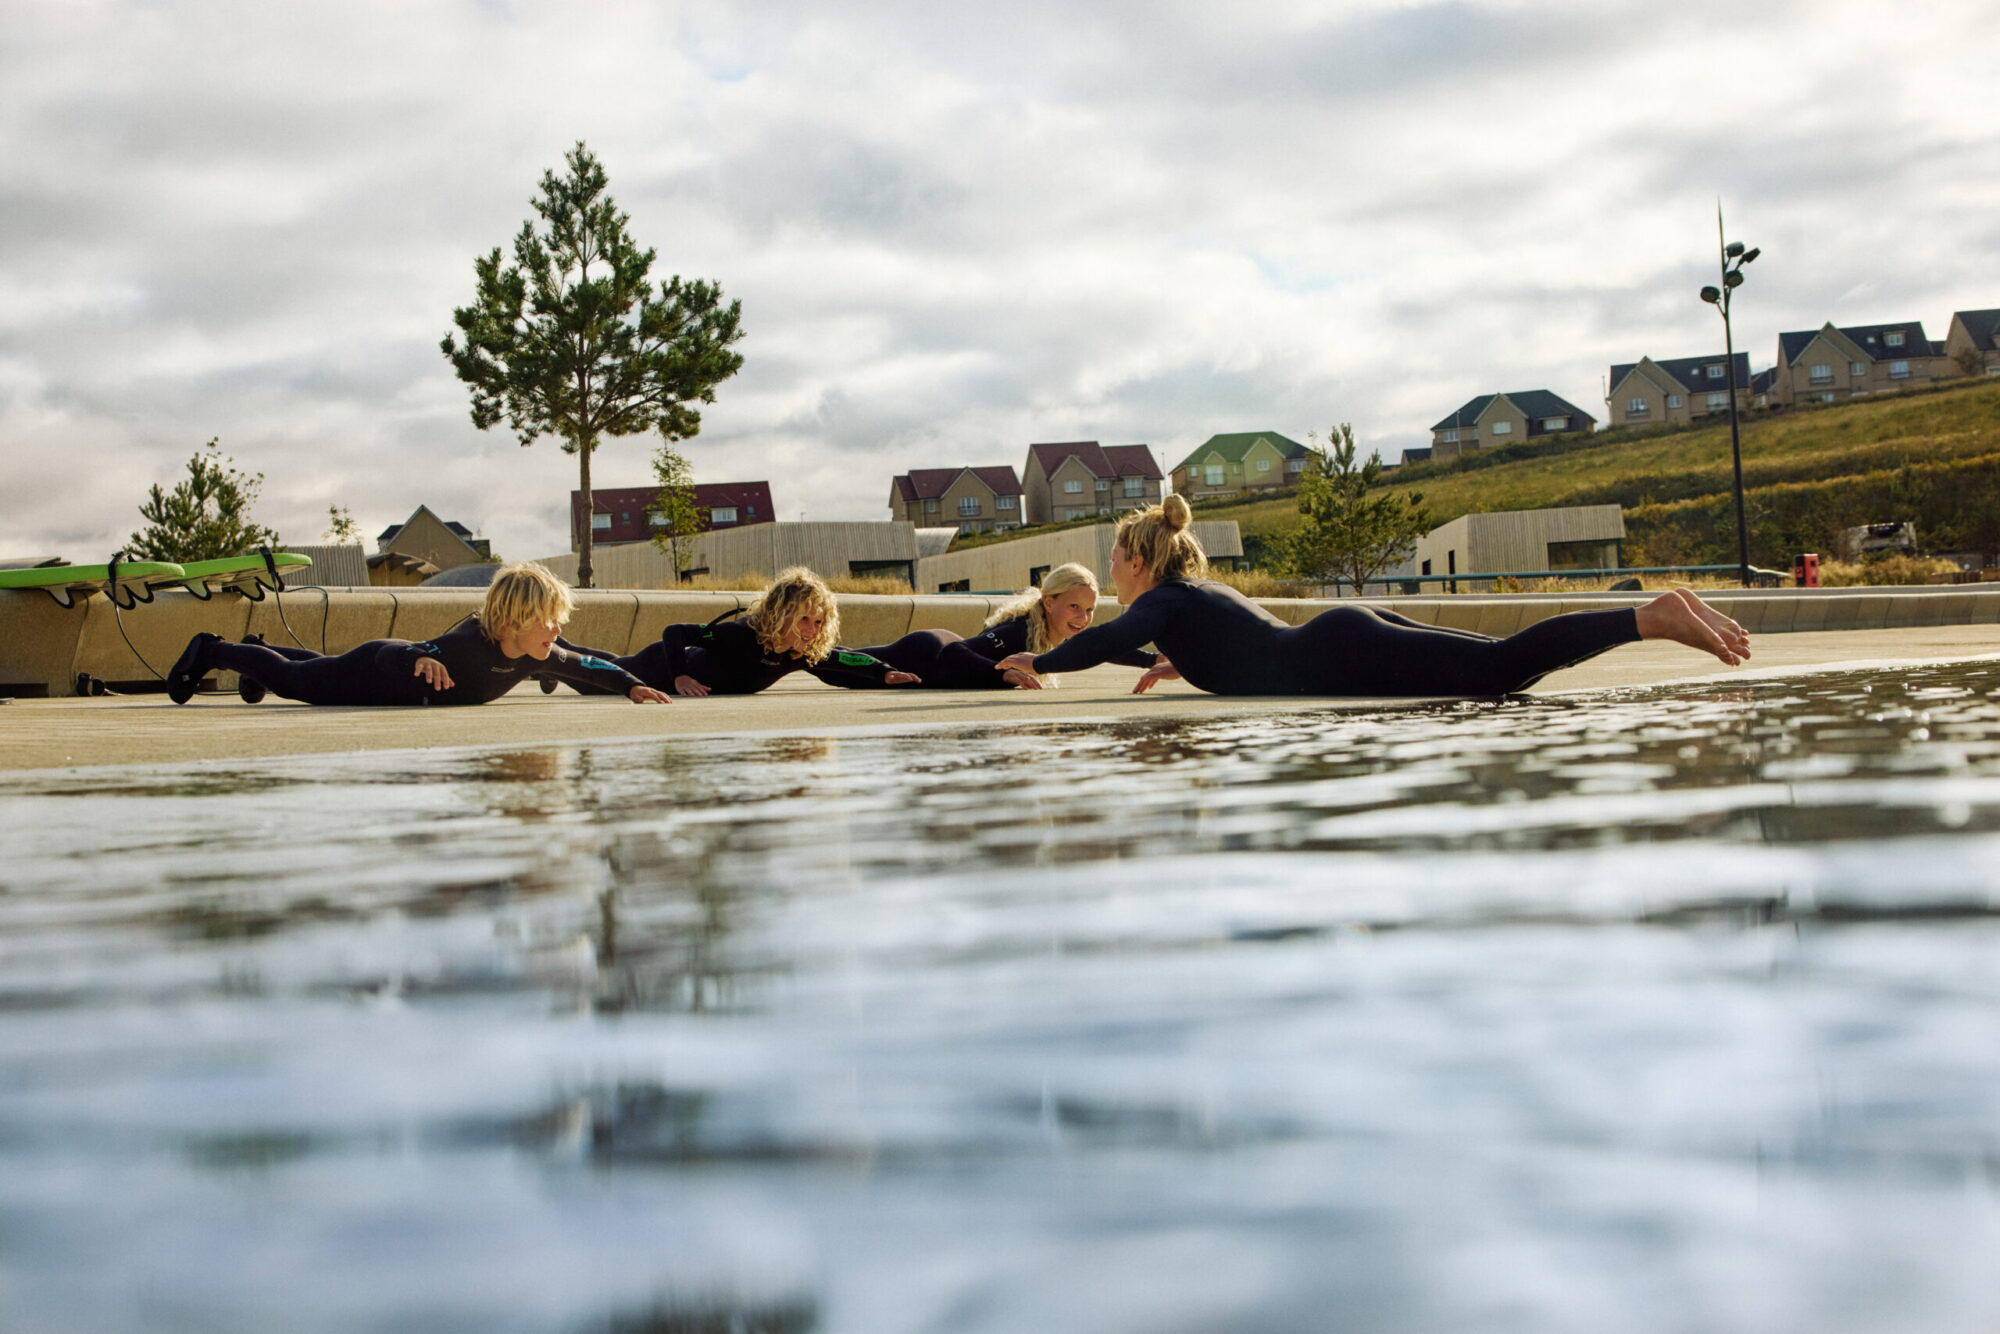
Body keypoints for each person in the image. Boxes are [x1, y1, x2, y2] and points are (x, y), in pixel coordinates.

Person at [995, 495, 1751, 697]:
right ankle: (1656, 612)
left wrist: (1044, 660)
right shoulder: (1189, 599)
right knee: (1500, 666)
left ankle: (1647, 617)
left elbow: (1097, 641)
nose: (1112, 578)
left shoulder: (1163, 601)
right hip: (1340, 638)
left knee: (1499, 672)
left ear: (1132, 561)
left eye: (1113, 563)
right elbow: (1212, 645)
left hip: (1341, 647)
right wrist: (1175, 665)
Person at [165, 562, 671, 706]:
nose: (558, 631)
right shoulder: (466, 646)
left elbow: (590, 664)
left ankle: (256, 651)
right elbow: (397, 653)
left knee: (307, 662)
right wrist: (419, 661)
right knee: (296, 681)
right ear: (514, 620)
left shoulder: (533, 655)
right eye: (548, 620)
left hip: (391, 677)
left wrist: (631, 685)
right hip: (372, 674)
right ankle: (214, 649)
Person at [556, 566, 922, 696]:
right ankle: (553, 655)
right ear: (780, 615)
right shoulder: (742, 636)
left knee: (601, 666)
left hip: (673, 677)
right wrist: (680, 675)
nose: (812, 630)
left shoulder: (797, 653)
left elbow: (843, 660)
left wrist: (884, 673)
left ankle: (554, 653)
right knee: (596, 677)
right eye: (804, 620)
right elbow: (675, 632)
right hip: (659, 668)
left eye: (819, 622)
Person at [837, 562, 1160, 690]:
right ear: (1049, 602)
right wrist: (1003, 672)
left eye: (1089, 609)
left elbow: (1099, 646)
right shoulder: (1020, 631)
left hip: (934, 662)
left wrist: (1154, 661)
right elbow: (952, 652)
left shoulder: (1049, 633)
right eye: (1073, 606)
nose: (1082, 617)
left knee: (830, 661)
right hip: (923, 654)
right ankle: (798, 647)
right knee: (835, 664)